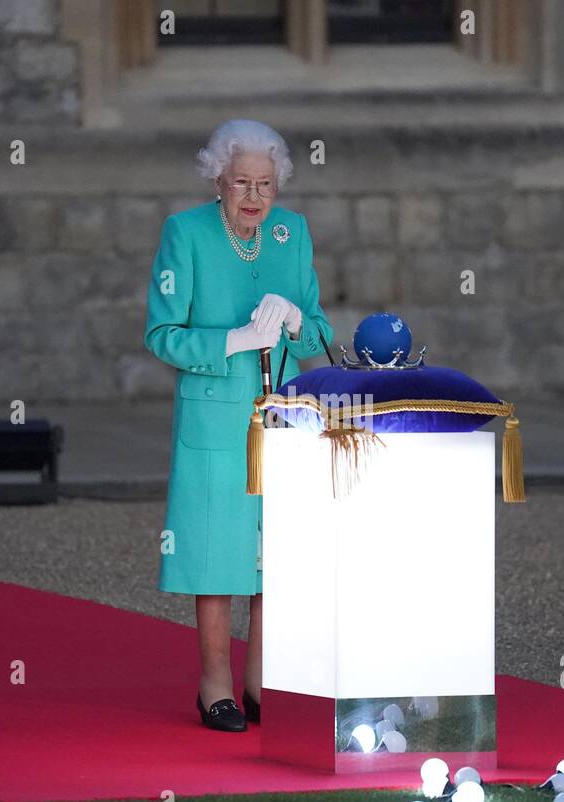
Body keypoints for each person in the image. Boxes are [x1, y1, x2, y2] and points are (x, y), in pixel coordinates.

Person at [144, 119, 334, 731]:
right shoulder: (186, 233)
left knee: (273, 553)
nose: (254, 197)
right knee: (217, 550)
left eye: (266, 185)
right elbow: (161, 335)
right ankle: (215, 684)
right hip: (215, 421)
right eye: (241, 183)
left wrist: (298, 320)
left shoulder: (292, 233)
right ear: (217, 180)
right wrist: (235, 339)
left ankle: (263, 681)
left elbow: (323, 334)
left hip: (283, 419)